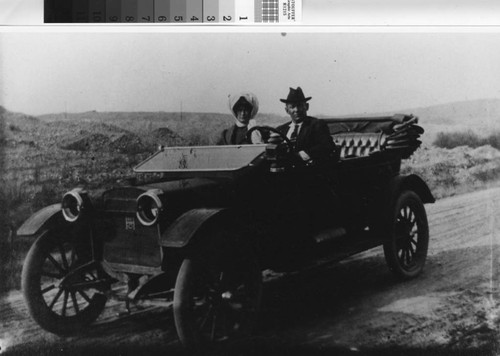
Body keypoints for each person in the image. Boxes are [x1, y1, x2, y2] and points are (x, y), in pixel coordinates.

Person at [274, 87, 335, 163]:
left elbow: (327, 146)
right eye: (292, 107)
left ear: (306, 106)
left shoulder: (317, 125)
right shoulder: (280, 130)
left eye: (299, 105)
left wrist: (301, 155)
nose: (296, 110)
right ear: (287, 110)